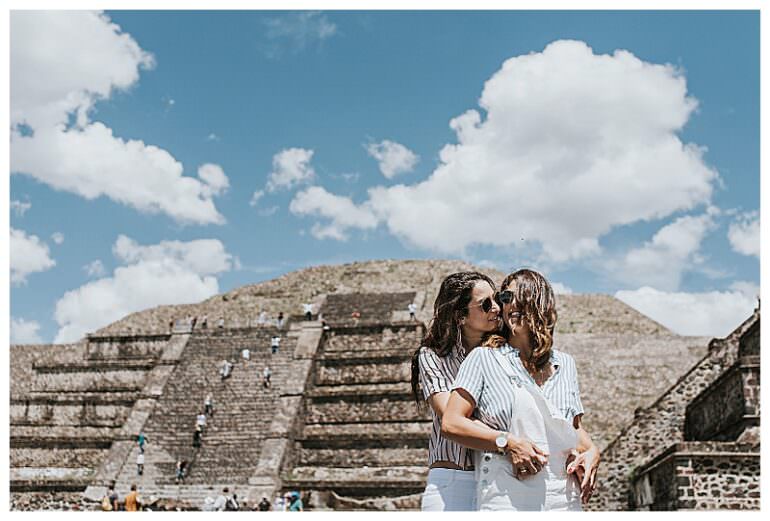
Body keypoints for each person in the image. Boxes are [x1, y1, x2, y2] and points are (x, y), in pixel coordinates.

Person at [442, 268, 600, 511]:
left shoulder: (566, 364)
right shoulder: (484, 359)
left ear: (540, 302)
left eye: (518, 296)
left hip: (564, 498)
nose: (508, 304)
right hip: (505, 496)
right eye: (505, 298)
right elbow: (452, 423)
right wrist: (508, 442)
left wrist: (592, 452)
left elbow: (572, 427)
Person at [410, 272, 501, 511]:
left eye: (497, 299)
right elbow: (453, 419)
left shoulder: (503, 355)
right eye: (486, 304)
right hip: (453, 481)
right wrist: (507, 439)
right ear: (460, 316)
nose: (497, 308)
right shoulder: (433, 357)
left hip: (498, 480)